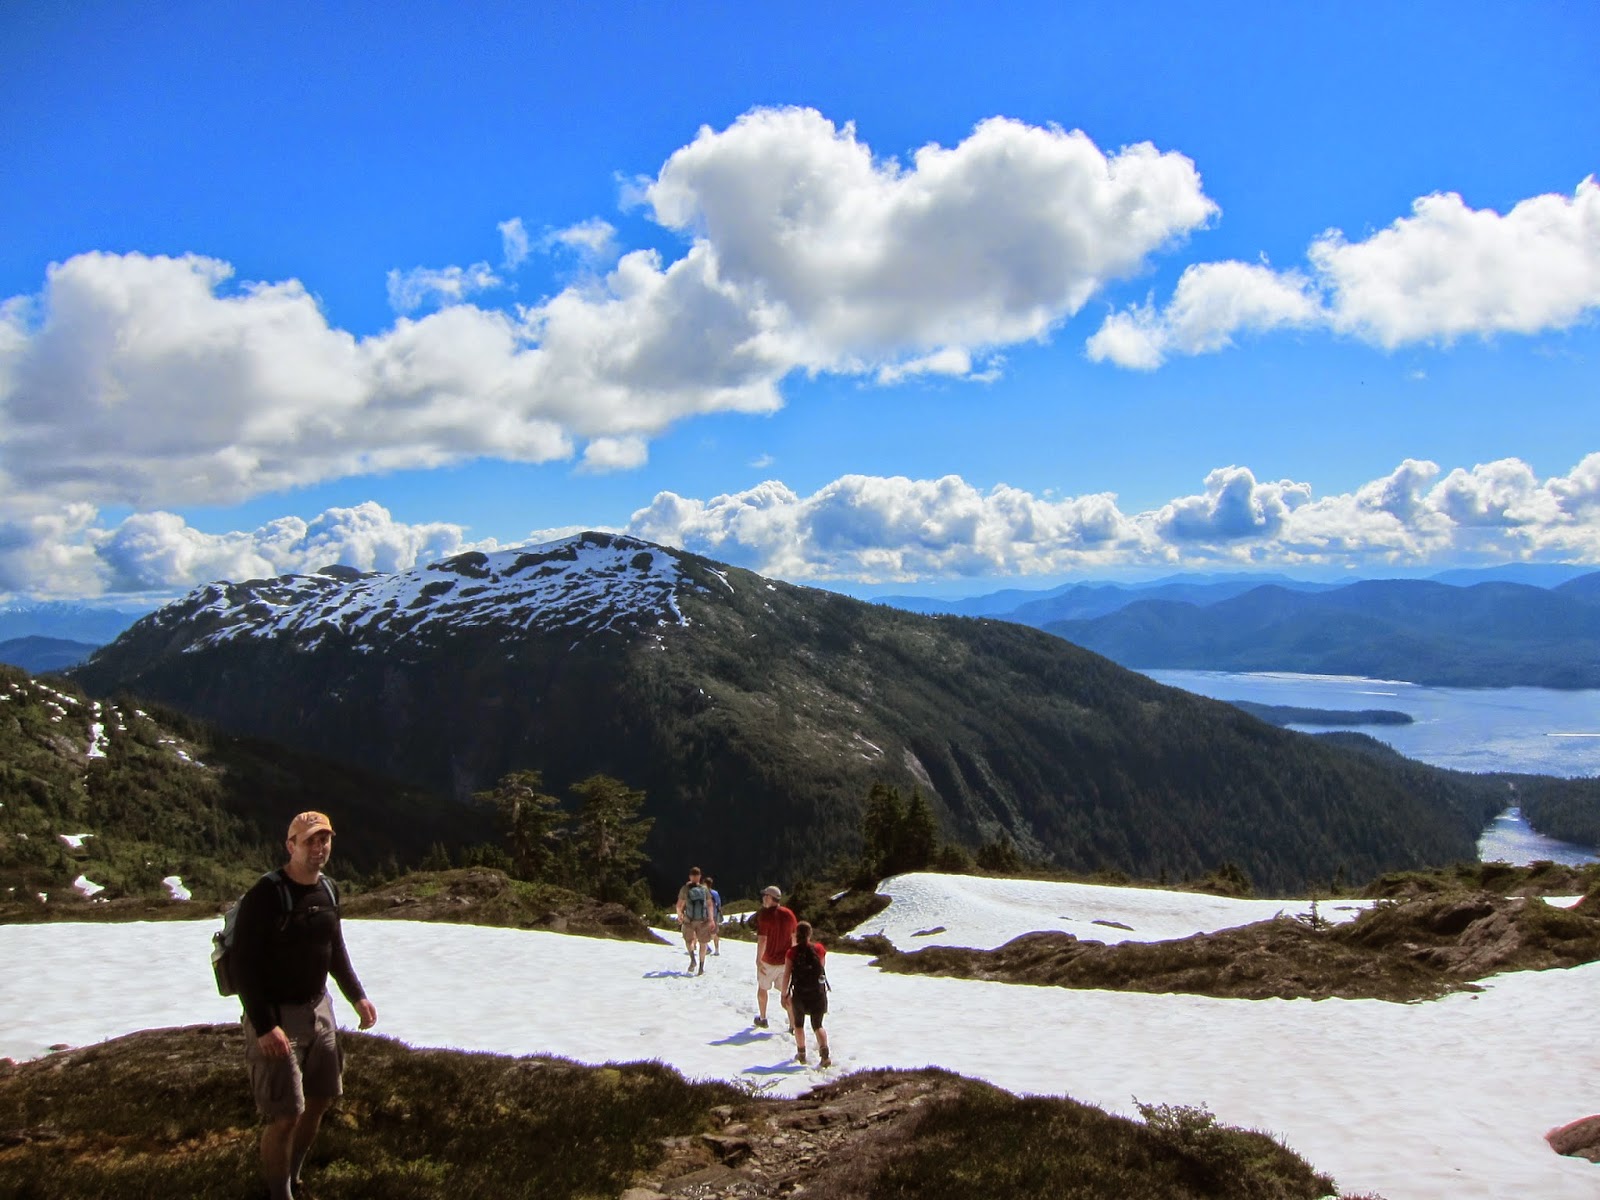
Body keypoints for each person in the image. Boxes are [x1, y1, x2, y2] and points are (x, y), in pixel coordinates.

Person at [232, 811, 377, 1200]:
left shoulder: (328, 890)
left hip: (319, 1010)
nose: (318, 847)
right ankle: (279, 1193)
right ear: (290, 845)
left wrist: (356, 995)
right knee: (285, 1116)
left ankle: (293, 1177)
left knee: (320, 1099)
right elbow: (243, 966)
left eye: (324, 839)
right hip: (278, 1016)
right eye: (309, 840)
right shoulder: (265, 896)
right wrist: (264, 1026)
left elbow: (334, 948)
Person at [782, 920, 831, 1067]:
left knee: (798, 1024)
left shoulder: (792, 952)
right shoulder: (819, 949)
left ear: (796, 934)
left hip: (800, 994)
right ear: (810, 934)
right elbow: (822, 967)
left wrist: (784, 994)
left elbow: (786, 975)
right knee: (818, 1025)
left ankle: (802, 1054)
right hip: (817, 993)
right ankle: (825, 1056)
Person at [752, 884, 796, 1030]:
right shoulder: (789, 914)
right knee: (786, 993)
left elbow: (762, 940)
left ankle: (763, 1018)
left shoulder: (764, 915)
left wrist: (759, 959)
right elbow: (794, 936)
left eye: (765, 896)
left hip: (768, 961)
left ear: (770, 898)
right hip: (785, 962)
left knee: (763, 989)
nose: (763, 898)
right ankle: (792, 1024)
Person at [675, 865, 715, 974]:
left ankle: (693, 959)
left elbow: (679, 905)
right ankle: (701, 967)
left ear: (690, 876)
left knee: (689, 941)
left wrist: (680, 914)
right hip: (703, 920)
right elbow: (710, 904)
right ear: (700, 876)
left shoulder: (685, 888)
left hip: (689, 919)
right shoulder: (704, 889)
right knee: (703, 943)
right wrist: (711, 919)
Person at [703, 873, 723, 956]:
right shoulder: (715, 893)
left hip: (705, 915)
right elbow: (718, 904)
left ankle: (707, 948)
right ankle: (716, 950)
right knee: (714, 933)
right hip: (714, 915)